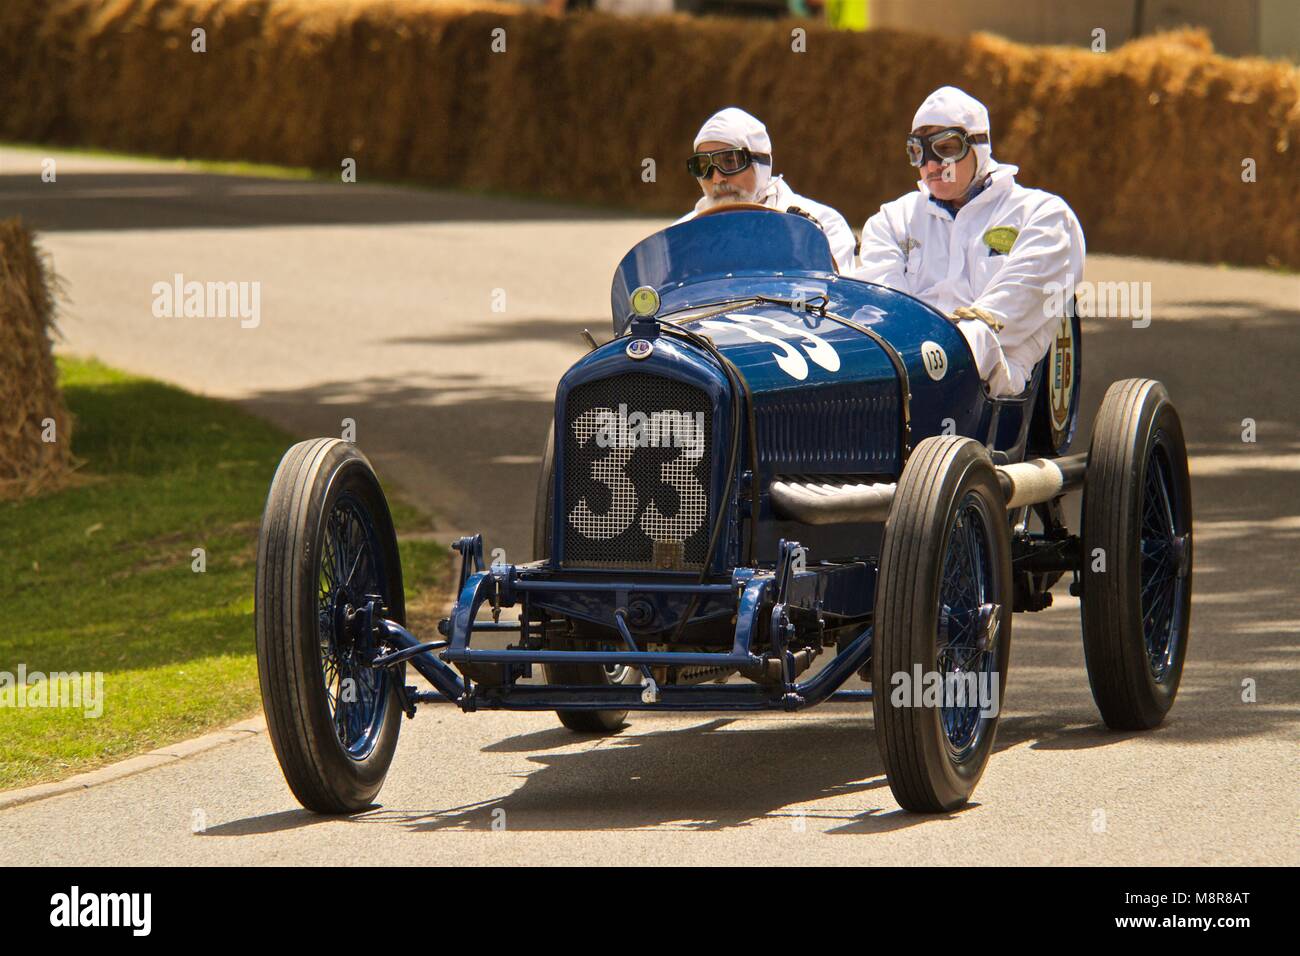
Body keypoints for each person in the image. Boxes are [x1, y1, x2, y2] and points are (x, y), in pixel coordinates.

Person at [854, 86, 1085, 397]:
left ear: (979, 147)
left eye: (946, 148)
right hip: (902, 374)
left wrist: (937, 354)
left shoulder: (1044, 216)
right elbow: (880, 309)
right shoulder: (893, 219)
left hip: (988, 389)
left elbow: (1001, 320)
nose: (932, 165)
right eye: (918, 152)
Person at [678, 107, 857, 273]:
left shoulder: (822, 226)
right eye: (703, 167)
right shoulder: (680, 237)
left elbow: (836, 299)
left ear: (761, 165)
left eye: (730, 161)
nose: (717, 178)